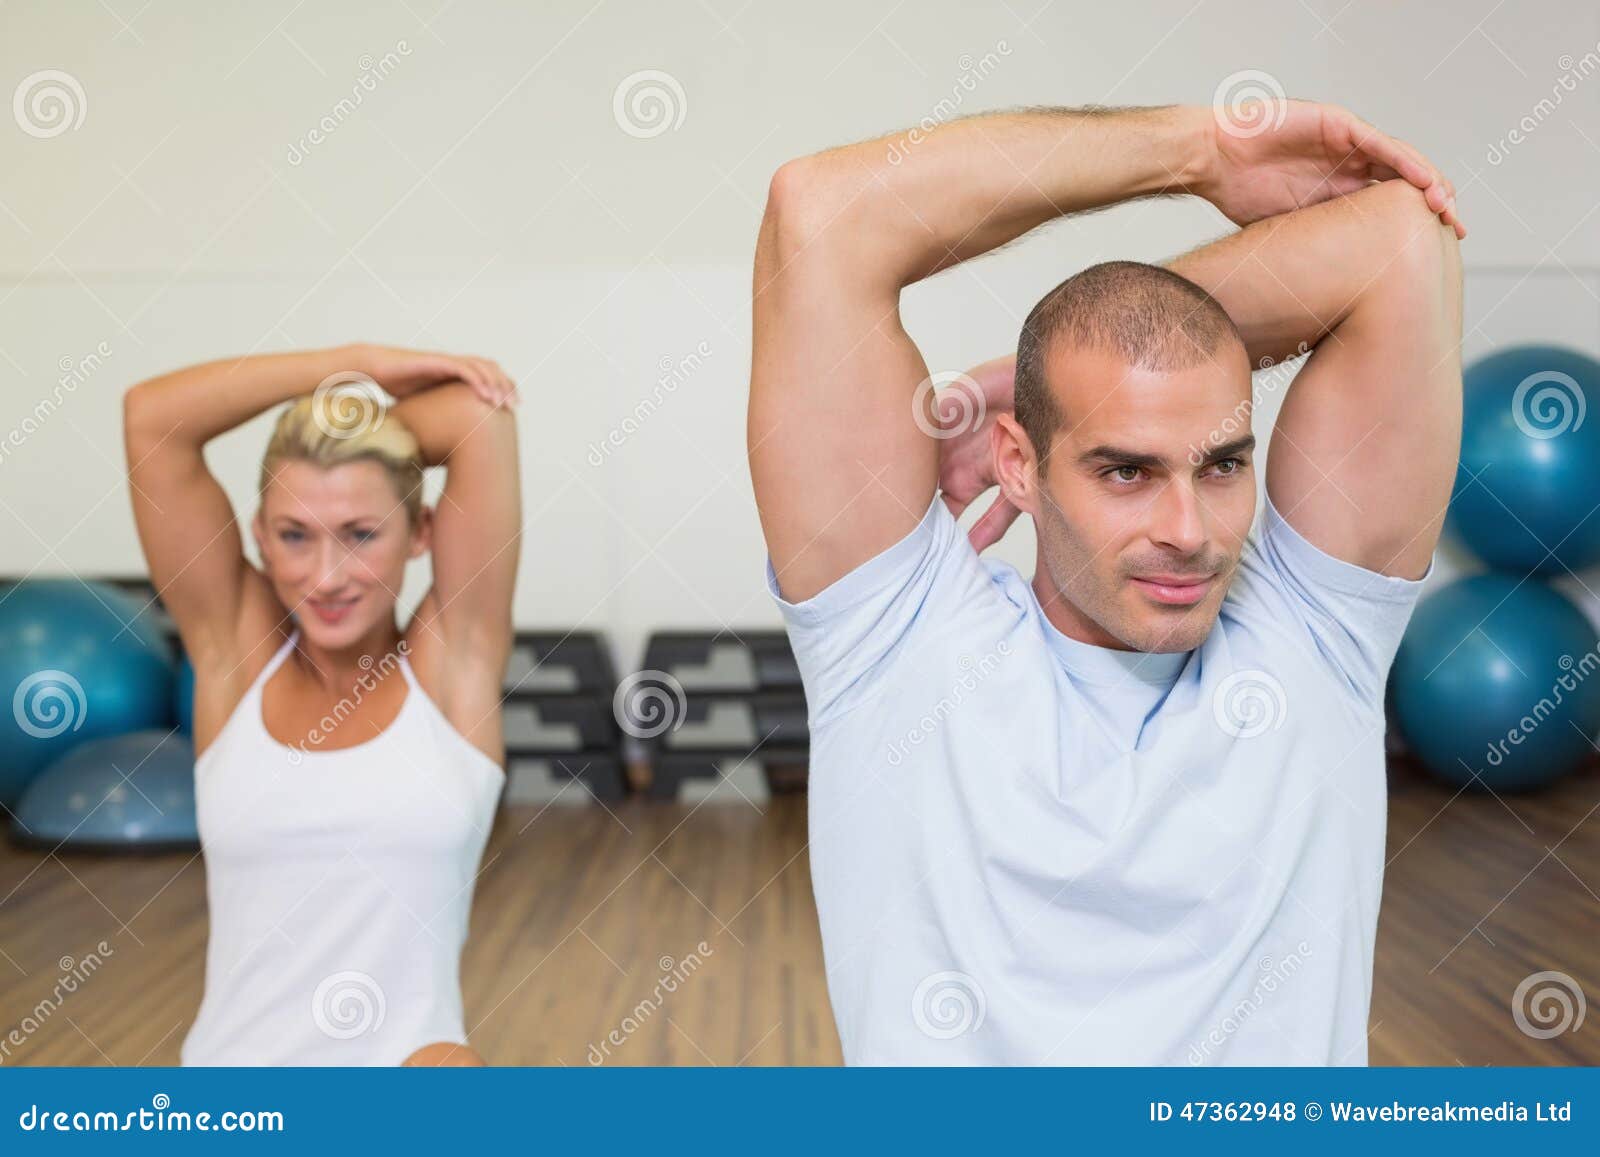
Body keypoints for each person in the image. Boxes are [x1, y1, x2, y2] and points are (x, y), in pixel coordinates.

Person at [749, 101, 1464, 1064]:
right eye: (1125, 469)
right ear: (1019, 462)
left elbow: (1400, 241)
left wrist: (1066, 371)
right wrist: (1200, 150)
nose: (1189, 532)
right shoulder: (897, 643)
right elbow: (820, 212)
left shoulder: (1313, 641)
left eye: (1220, 465)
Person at [123, 344, 521, 1065]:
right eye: (295, 535)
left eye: (361, 533)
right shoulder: (235, 658)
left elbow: (476, 415)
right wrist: (355, 365)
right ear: (259, 537)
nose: (326, 576)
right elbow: (152, 419)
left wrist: (356, 424)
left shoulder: (451, 665)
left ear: (420, 531)